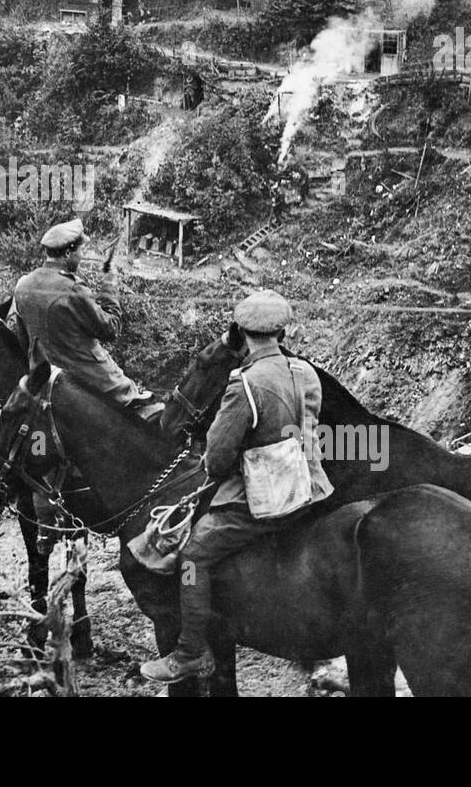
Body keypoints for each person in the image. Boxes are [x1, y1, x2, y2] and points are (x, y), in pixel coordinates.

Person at [141, 290, 334, 683]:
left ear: (242, 334)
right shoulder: (305, 373)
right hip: (310, 488)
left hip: (266, 499)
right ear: (281, 331)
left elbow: (216, 459)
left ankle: (190, 651)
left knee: (193, 557)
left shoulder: (244, 384)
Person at [8, 219, 161, 420]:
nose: (81, 257)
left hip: (45, 383)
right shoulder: (73, 290)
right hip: (91, 381)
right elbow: (111, 328)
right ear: (68, 253)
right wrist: (109, 283)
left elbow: (23, 340)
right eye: (80, 251)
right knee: (148, 418)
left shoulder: (23, 286)